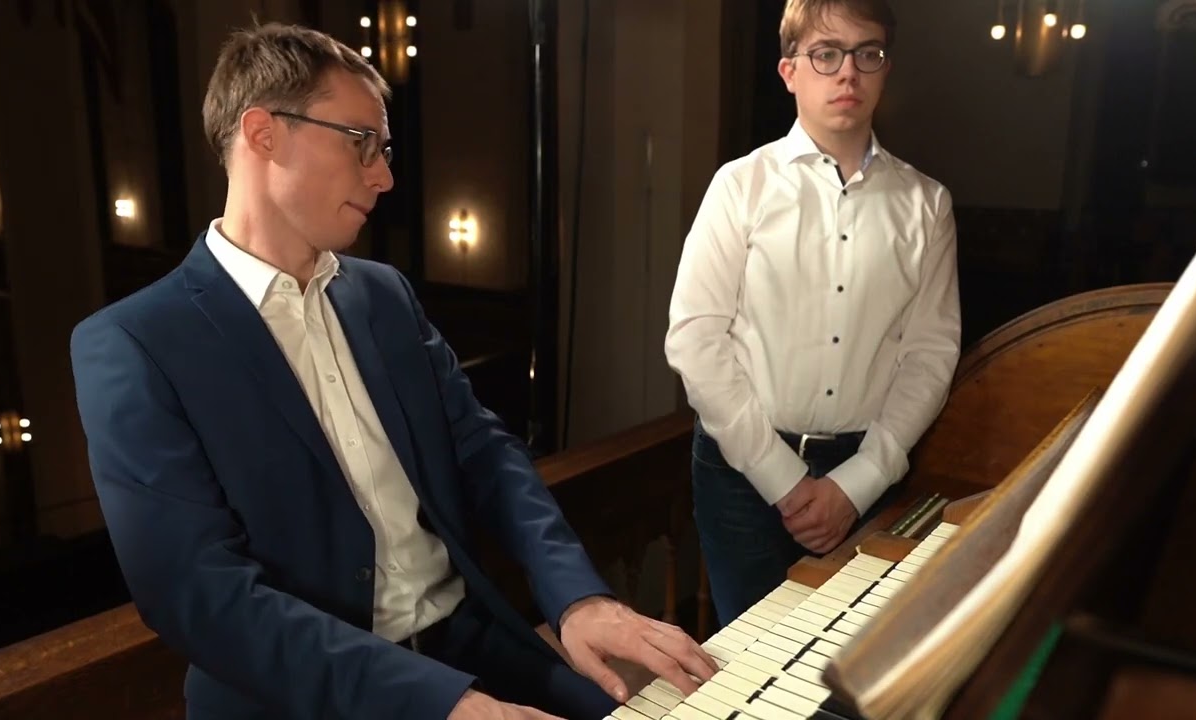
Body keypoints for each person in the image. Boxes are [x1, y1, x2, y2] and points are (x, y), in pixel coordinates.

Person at [70, 22, 715, 720]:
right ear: (262, 134)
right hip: (303, 693)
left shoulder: (382, 294)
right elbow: (200, 595)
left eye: (384, 149)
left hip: (467, 645)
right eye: (362, 144)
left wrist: (578, 597)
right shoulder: (131, 343)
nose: (384, 175)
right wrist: (446, 705)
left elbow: (485, 453)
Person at [664, 0, 961, 627]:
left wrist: (859, 481)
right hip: (742, 468)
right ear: (790, 70)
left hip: (868, 465)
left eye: (867, 53)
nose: (847, 74)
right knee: (749, 657)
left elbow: (929, 356)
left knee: (843, 660)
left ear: (885, 68)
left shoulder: (927, 205)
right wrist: (788, 483)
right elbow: (695, 341)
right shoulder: (739, 186)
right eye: (826, 54)